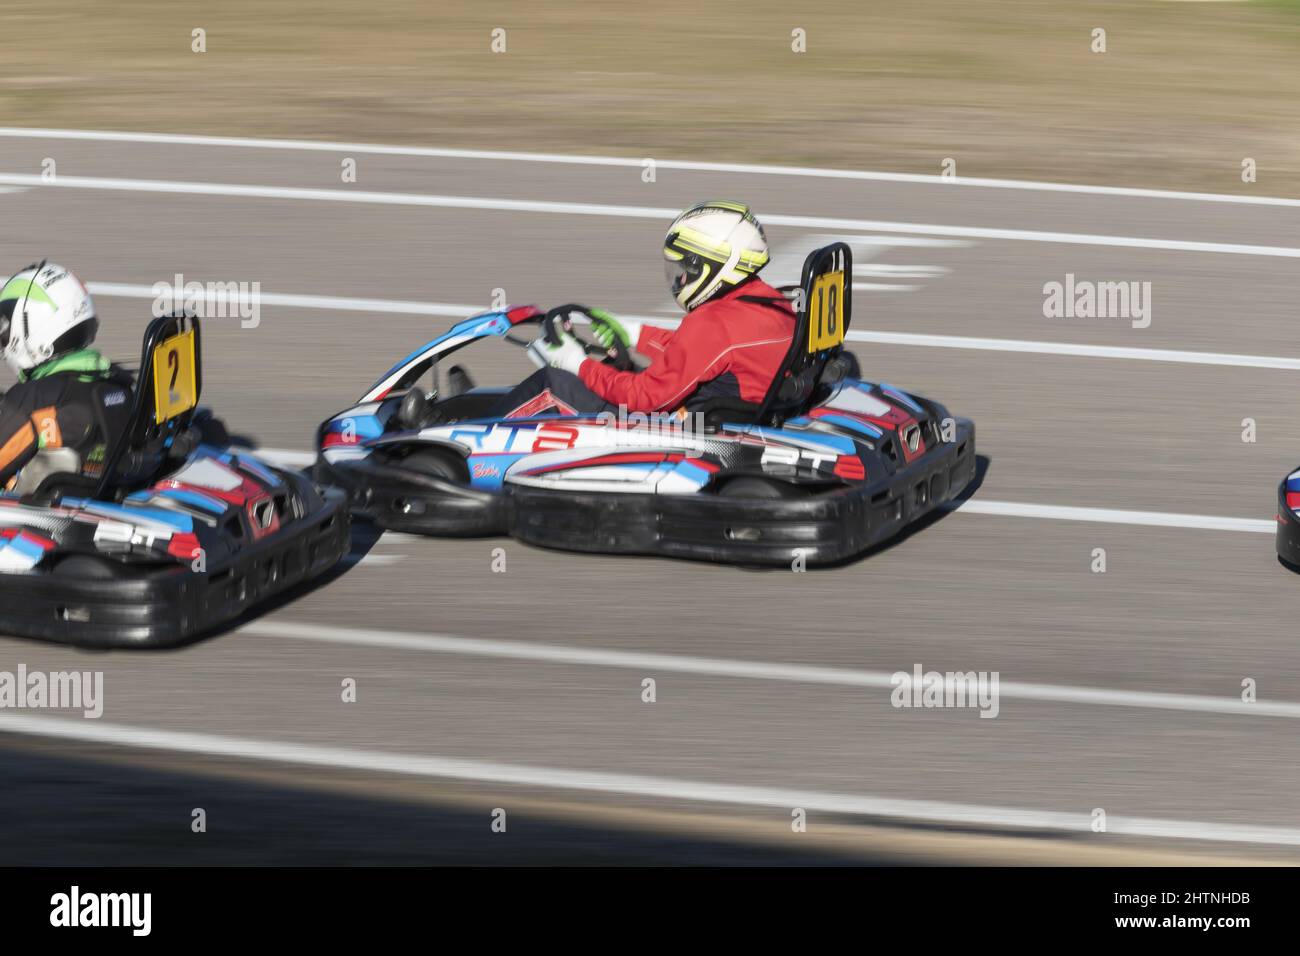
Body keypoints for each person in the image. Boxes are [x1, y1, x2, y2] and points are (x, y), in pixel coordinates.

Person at [494, 200, 795, 417]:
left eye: (686, 267)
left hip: (678, 429)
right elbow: (702, 356)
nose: (680, 278)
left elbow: (644, 397)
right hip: (732, 412)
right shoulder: (769, 302)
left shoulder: (714, 322)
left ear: (713, 265)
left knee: (552, 383)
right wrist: (634, 334)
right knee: (614, 370)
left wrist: (578, 364)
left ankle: (468, 446)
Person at [0, 262, 133, 491]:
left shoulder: (31, 401)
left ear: (32, 327)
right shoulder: (117, 384)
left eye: (6, 326)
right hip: (97, 493)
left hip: (41, 516)